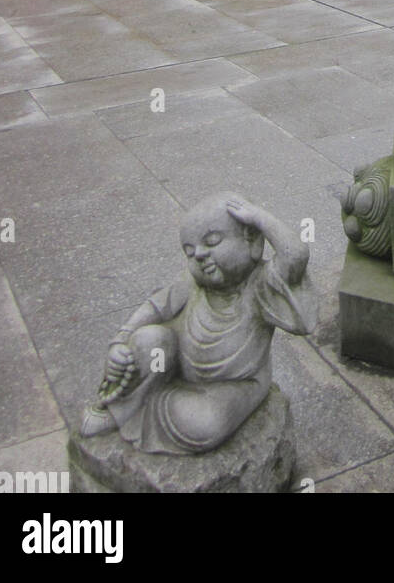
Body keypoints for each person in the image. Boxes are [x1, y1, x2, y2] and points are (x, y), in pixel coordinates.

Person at [79, 193, 316, 454]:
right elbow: (154, 308)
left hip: (235, 384)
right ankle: (124, 408)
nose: (200, 255)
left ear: (253, 243)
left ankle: (145, 404)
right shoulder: (192, 284)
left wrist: (259, 217)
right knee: (148, 340)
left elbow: (295, 255)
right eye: (189, 252)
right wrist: (120, 343)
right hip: (178, 366)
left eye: (212, 241)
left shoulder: (259, 284)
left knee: (207, 421)